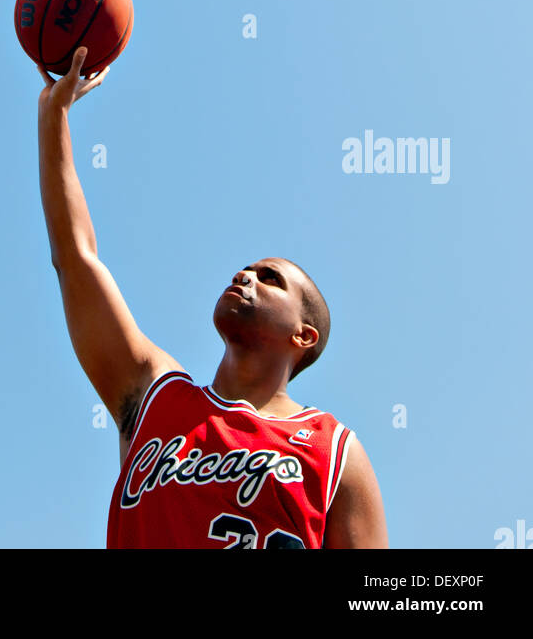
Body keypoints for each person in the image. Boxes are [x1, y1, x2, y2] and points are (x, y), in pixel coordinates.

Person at [37, 47, 389, 550]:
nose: (245, 274)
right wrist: (55, 118)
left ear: (303, 335)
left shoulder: (336, 451)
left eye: (270, 278)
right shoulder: (155, 394)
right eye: (246, 269)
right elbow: (76, 259)